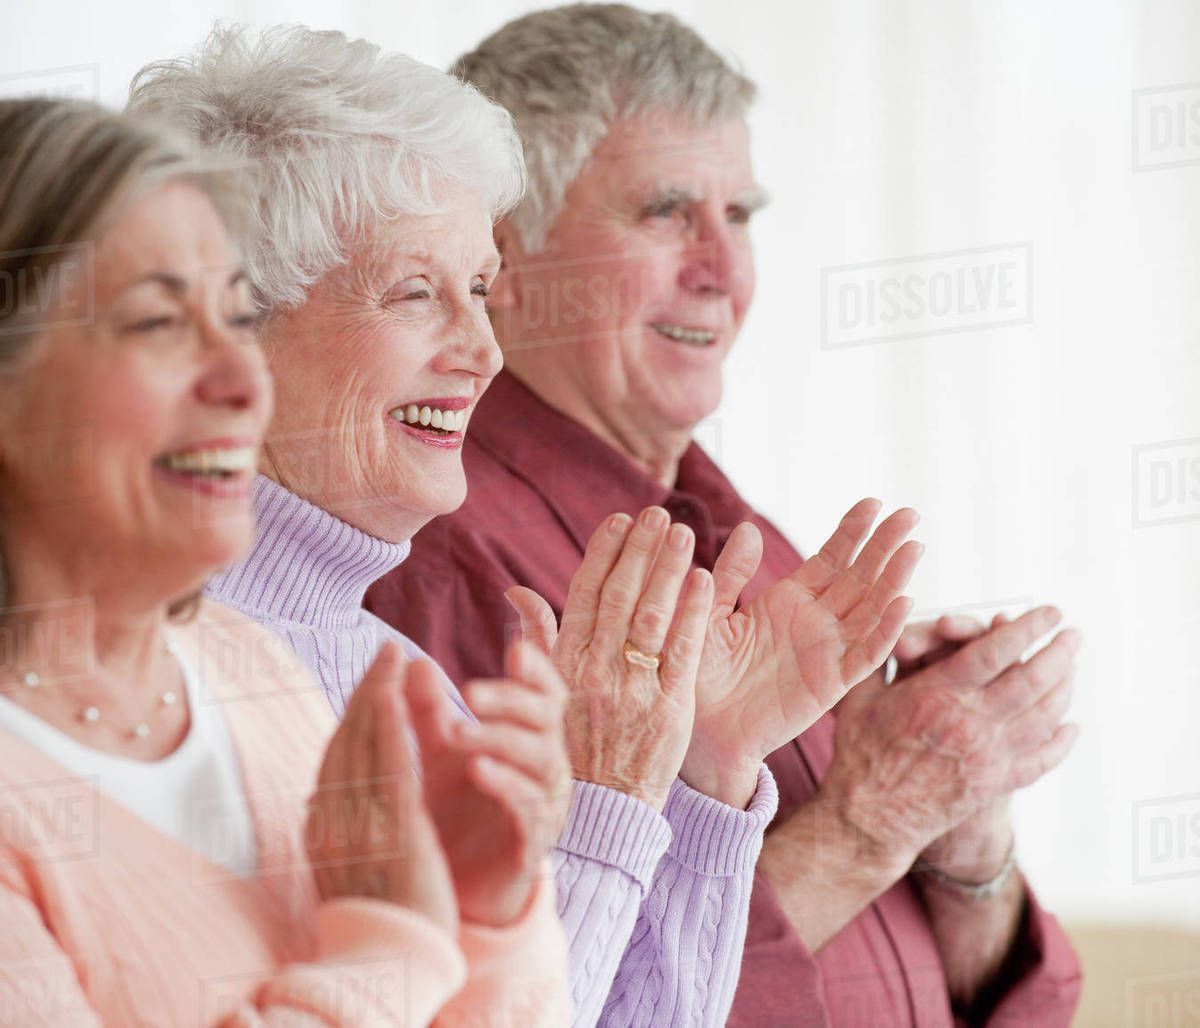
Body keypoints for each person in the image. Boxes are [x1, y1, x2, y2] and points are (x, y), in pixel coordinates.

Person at [130, 24, 927, 1026]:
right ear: (235, 325)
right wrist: (608, 802)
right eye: (418, 291)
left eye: (477, 289)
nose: (482, 351)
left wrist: (706, 770)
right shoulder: (148, 679)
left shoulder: (392, 669)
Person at [366, 5, 1084, 1025]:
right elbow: (549, 1003)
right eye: (665, 211)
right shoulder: (446, 558)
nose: (723, 268)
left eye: (740, 214)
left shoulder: (749, 539)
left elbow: (1020, 1003)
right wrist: (875, 817)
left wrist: (965, 831)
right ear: (505, 255)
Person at [0, 97, 571, 1026]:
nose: (240, 380)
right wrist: (390, 940)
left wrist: (485, 910)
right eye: (157, 324)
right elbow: (393, 963)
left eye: (235, 316)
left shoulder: (246, 666)